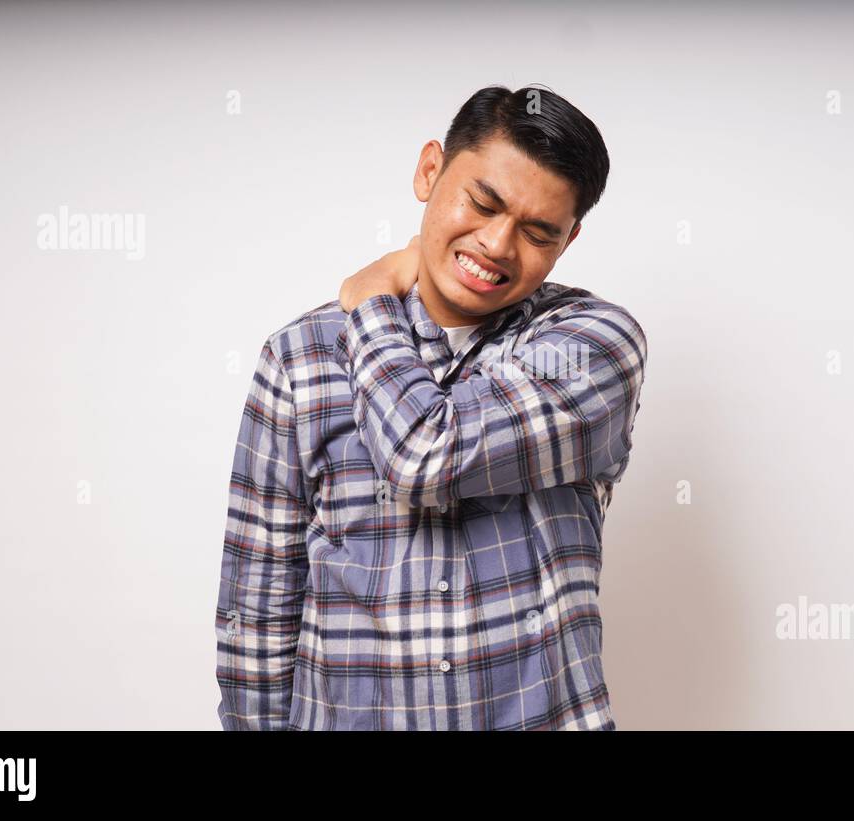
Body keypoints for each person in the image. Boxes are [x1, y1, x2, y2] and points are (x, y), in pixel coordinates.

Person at [215, 84, 647, 730]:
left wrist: (369, 307)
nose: (498, 245)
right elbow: (259, 615)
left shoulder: (592, 349)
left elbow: (425, 456)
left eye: (537, 232)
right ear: (430, 171)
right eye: (483, 202)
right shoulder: (301, 359)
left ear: (570, 239)